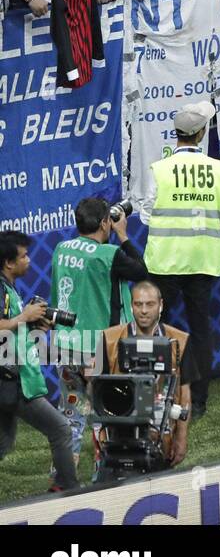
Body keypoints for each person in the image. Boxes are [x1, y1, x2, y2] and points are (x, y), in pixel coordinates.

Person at [141, 100, 220, 418]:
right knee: (200, 327)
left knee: (154, 326)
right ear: (201, 132)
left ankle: (156, 391)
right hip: (204, 258)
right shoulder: (219, 169)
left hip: (166, 259)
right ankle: (201, 400)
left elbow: (146, 215)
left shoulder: (160, 169)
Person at [49, 196, 150, 465]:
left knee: (71, 416)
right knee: (105, 415)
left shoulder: (61, 249)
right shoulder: (110, 255)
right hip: (99, 348)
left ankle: (62, 478)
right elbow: (141, 271)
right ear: (105, 222)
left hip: (65, 344)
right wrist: (123, 235)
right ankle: (103, 475)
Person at [0, 230, 79, 492]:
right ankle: (68, 489)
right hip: (13, 383)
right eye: (24, 256)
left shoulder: (8, 288)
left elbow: (12, 340)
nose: (29, 260)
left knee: (3, 444)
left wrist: (36, 330)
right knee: (60, 430)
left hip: (12, 378)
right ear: (9, 262)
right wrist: (24, 317)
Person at [94, 280, 197, 474]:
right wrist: (98, 435)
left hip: (161, 435)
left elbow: (185, 393)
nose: (143, 310)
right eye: (138, 304)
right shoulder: (108, 338)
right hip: (118, 433)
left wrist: (181, 437)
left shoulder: (180, 341)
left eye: (150, 304)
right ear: (131, 305)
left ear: (161, 305)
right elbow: (96, 389)